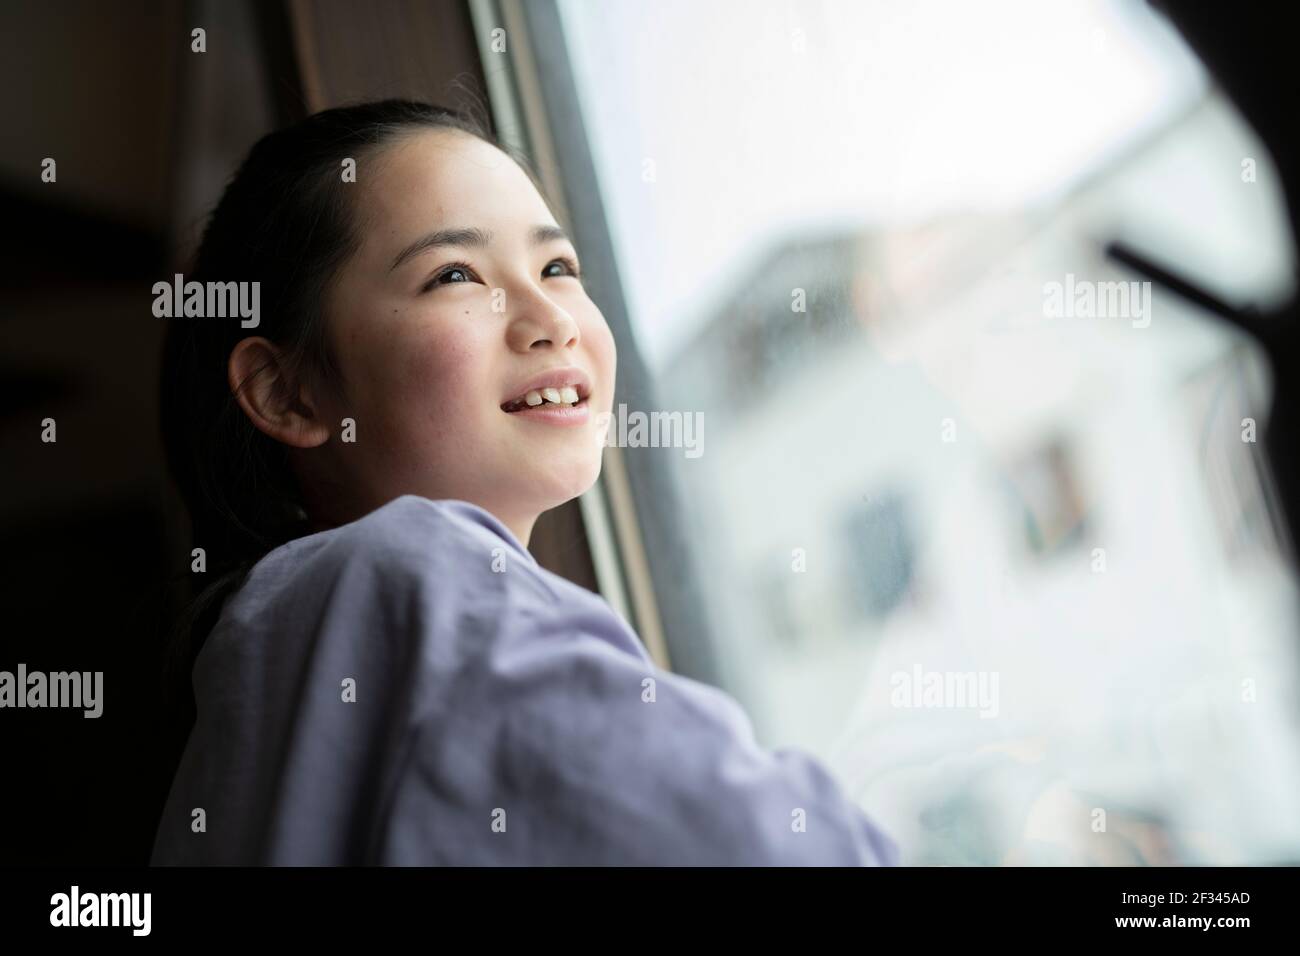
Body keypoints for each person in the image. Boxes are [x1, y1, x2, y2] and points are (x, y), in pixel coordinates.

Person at [151, 99, 898, 866]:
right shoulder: (408, 576)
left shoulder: (268, 665)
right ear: (286, 392)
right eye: (453, 275)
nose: (549, 316)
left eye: (557, 268)